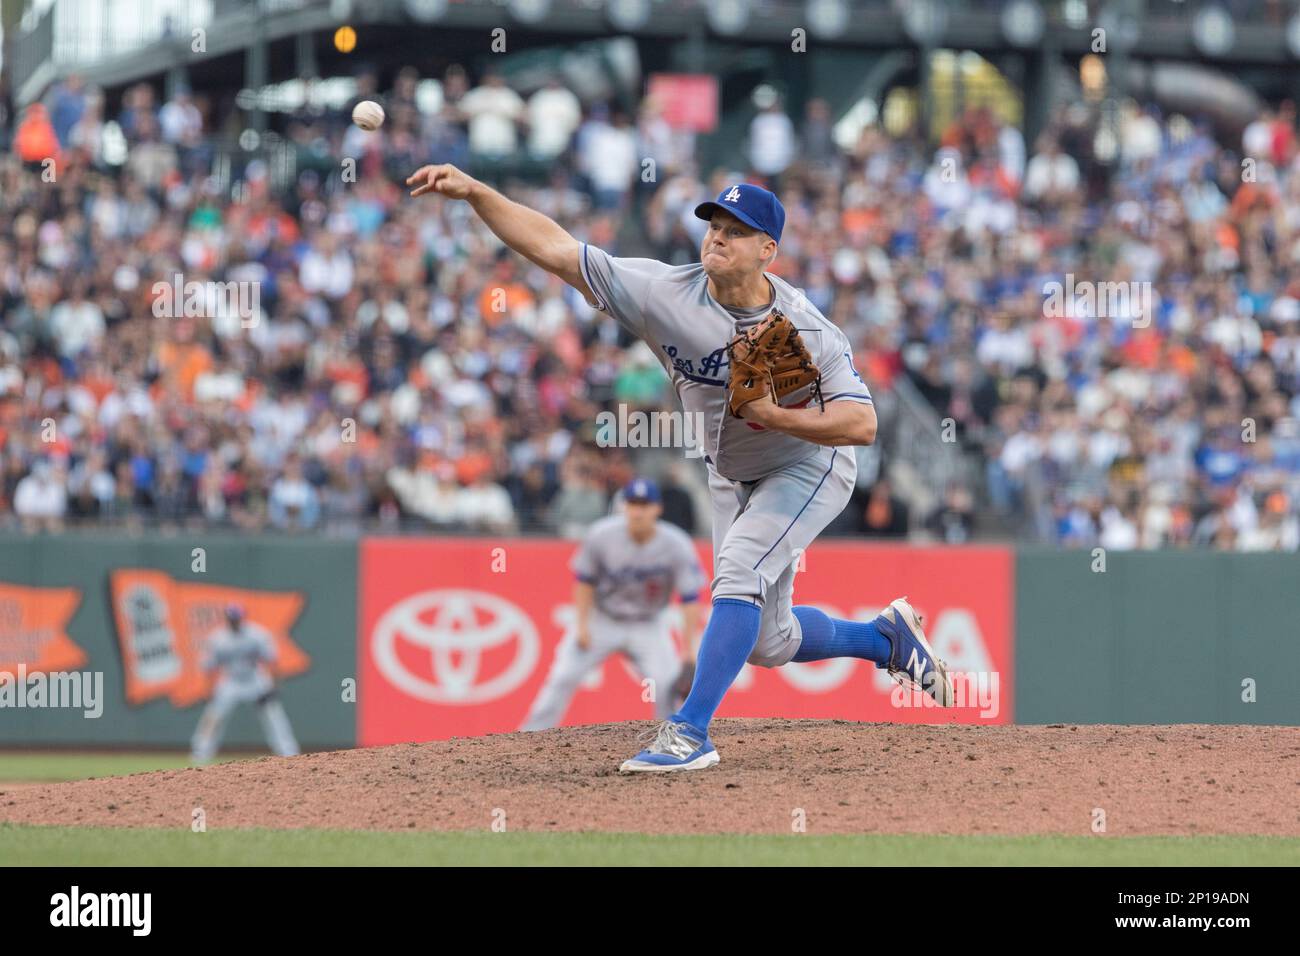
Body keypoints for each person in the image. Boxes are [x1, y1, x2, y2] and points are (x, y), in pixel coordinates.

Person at [407, 162, 956, 772]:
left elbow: (862, 424)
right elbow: (558, 251)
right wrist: (480, 191)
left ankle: (690, 730)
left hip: (809, 466)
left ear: (767, 250)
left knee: (738, 573)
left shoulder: (801, 329)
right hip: (728, 470)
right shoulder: (664, 293)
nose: (718, 236)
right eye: (714, 223)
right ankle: (885, 639)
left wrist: (779, 418)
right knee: (769, 644)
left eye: (737, 229)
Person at [520, 478, 705, 730]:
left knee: (666, 685)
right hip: (602, 619)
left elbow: (690, 598)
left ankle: (674, 741)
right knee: (562, 676)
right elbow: (584, 581)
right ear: (624, 506)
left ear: (657, 508)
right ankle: (528, 738)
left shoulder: (675, 544)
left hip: (648, 624)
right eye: (632, 504)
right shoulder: (602, 534)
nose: (638, 511)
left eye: (645, 504)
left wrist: (687, 651)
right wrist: (582, 624)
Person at [190, 604, 300, 763]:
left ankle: (289, 752)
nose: (234, 621)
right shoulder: (218, 638)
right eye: (231, 618)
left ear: (242, 618)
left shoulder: (256, 634)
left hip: (255, 678)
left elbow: (272, 661)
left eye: (236, 618)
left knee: (273, 714)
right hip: (231, 681)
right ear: (227, 619)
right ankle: (200, 752)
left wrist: (274, 686)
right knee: (214, 715)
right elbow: (210, 667)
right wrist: (209, 689)